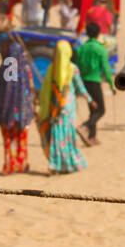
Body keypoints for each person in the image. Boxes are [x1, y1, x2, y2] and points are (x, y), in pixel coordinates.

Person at [0, 34, 37, 174]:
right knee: (22, 138)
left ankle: (9, 164)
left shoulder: (4, 69)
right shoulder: (26, 69)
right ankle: (21, 164)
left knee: (8, 139)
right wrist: (34, 106)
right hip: (23, 112)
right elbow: (31, 89)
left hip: (6, 112)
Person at [37, 40, 88, 174]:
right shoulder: (67, 69)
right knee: (63, 136)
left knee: (58, 136)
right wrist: (90, 100)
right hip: (65, 109)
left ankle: (57, 165)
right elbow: (80, 88)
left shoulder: (56, 69)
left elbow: (45, 90)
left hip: (59, 108)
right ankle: (59, 164)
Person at [73, 21, 113, 144]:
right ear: (98, 33)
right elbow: (106, 68)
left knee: (93, 108)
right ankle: (85, 126)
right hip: (94, 81)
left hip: (83, 81)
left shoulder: (81, 48)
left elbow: (77, 65)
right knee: (101, 110)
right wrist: (111, 85)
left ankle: (91, 137)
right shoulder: (100, 49)